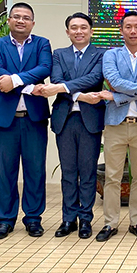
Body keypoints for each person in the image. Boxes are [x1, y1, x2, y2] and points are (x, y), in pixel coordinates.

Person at [33, 12, 105, 240]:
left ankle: (85, 219)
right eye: (74, 27)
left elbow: (93, 79)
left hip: (90, 121)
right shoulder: (59, 54)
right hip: (64, 120)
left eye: (83, 27)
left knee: (88, 172)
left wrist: (64, 89)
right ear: (67, 32)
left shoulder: (101, 55)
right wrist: (80, 96)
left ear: (91, 31)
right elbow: (55, 80)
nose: (79, 31)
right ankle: (68, 219)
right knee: (68, 172)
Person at [95, 11, 137, 242]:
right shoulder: (111, 55)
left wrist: (116, 96)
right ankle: (110, 223)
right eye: (128, 27)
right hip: (115, 124)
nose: (133, 31)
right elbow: (114, 81)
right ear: (121, 30)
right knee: (112, 177)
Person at [0, 2, 52, 240]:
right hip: (6, 120)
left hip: (34, 118)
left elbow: (44, 67)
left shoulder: (42, 44)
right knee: (5, 172)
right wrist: (27, 84)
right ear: (9, 20)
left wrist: (13, 81)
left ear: (33, 22)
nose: (21, 21)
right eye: (16, 17)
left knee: (35, 171)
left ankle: (33, 219)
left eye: (26, 17)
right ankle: (5, 220)